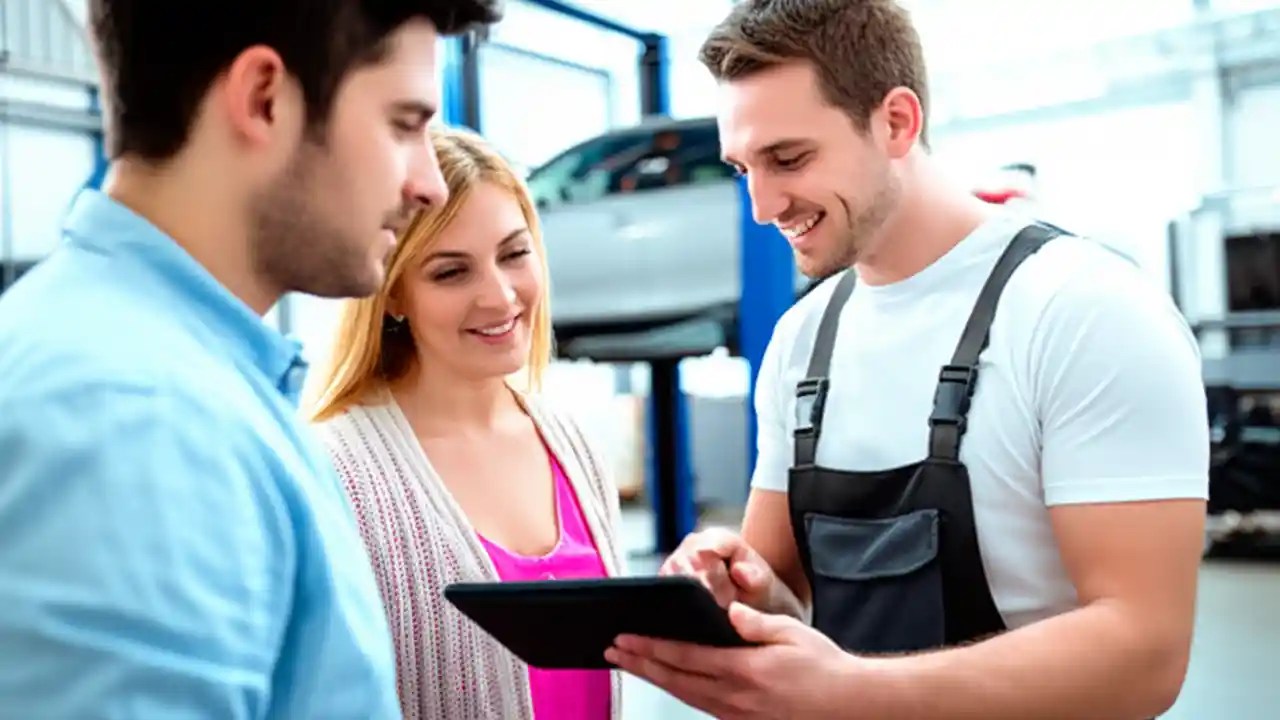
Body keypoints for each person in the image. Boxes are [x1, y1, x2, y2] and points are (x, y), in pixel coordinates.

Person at [605, 2, 1210, 719]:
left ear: (896, 122)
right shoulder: (803, 340)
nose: (763, 205)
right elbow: (786, 595)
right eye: (744, 168)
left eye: (788, 159)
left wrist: (850, 693)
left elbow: (1144, 653)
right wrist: (737, 586)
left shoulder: (1083, 311)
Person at [0, 0, 501, 717]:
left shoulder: (169, 373)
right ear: (264, 98)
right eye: (404, 125)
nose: (430, 184)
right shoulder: (139, 421)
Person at [307, 125, 626, 720]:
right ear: (392, 292)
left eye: (514, 254)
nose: (501, 297)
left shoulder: (572, 444)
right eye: (451, 272)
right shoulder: (334, 471)